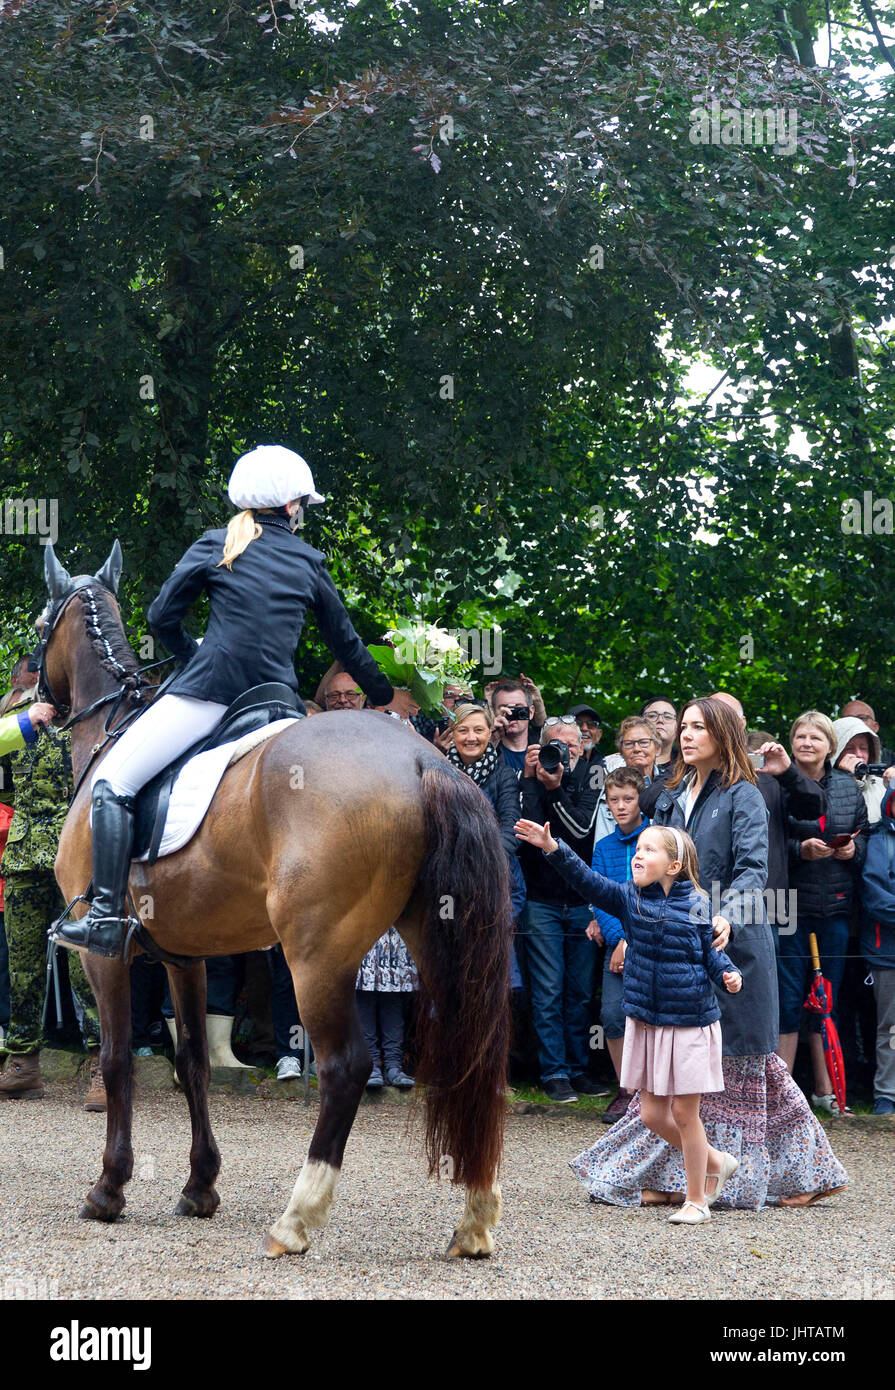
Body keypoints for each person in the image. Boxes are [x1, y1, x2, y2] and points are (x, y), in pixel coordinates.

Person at [52, 444, 417, 960]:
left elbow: (160, 619)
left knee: (113, 784)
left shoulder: (216, 542)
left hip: (209, 696)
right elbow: (346, 644)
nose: (303, 513)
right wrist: (381, 695)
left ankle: (108, 917)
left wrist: (192, 654)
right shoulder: (310, 561)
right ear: (290, 506)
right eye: (303, 505)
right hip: (277, 705)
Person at [565, 698, 847, 1209]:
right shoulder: (671, 797)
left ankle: (806, 1175)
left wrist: (727, 914)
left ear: (722, 733)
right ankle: (688, 1179)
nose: (686, 734)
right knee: (683, 1083)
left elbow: (752, 870)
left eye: (698, 727)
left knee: (746, 1067)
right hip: (675, 949)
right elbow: (652, 869)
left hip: (733, 946)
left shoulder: (745, 794)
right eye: (685, 726)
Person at [516, 817, 742, 1226]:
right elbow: (588, 882)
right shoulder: (629, 899)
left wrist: (729, 975)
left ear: (674, 866)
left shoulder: (697, 905)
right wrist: (553, 848)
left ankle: (697, 1200)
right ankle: (717, 1161)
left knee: (686, 1114)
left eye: (648, 850)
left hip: (690, 1022)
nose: (638, 855)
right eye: (637, 850)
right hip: (648, 1020)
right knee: (652, 1114)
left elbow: (711, 954)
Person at [0, 676, 105, 1108]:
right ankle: (24, 1063)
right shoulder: (16, 723)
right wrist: (26, 718)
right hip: (24, 856)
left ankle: (105, 1064)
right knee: (22, 964)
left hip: (77, 855)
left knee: (87, 964)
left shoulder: (93, 722)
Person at [782, 711, 869, 1113]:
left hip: (835, 905)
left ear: (830, 745)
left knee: (826, 1000)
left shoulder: (849, 788)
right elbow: (762, 841)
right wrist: (799, 850)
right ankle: (779, 1096)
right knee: (785, 1002)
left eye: (816, 736)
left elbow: (866, 838)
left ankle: (826, 1090)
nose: (807, 742)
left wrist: (853, 850)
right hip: (787, 905)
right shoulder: (775, 783)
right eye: (800, 735)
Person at [516, 715, 602, 1102]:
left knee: (580, 992)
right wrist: (534, 780)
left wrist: (555, 790)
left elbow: (582, 829)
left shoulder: (593, 777)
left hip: (583, 902)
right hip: (542, 902)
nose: (562, 753)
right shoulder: (528, 779)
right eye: (554, 745)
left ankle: (579, 1068)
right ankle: (553, 1071)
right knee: (548, 990)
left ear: (582, 748)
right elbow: (529, 833)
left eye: (570, 746)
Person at [585, 766, 649, 1125]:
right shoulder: (604, 848)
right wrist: (620, 940)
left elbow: (661, 893)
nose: (621, 806)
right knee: (612, 1015)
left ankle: (652, 1091)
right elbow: (600, 897)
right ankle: (627, 1091)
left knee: (651, 1015)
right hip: (618, 945)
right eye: (614, 800)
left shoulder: (656, 838)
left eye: (628, 799)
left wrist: (633, 940)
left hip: (653, 942)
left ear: (640, 799)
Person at [859, 776, 895, 1113]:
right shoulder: (881, 841)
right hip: (888, 953)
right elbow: (875, 898)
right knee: (892, 1027)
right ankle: (887, 1094)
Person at [595, 717, 663, 842]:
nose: (637, 749)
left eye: (643, 742)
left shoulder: (669, 787)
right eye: (629, 744)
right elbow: (603, 843)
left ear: (658, 749)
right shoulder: (611, 790)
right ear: (621, 752)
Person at [489, 678, 543, 780]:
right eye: (504, 708)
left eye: (518, 708)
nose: (511, 713)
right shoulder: (488, 750)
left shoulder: (543, 748)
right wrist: (490, 741)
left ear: (530, 713)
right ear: (494, 713)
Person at [841, 699, 894, 766]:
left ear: (875, 727)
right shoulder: (828, 760)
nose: (855, 722)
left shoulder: (892, 760)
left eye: (862, 718)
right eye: (848, 719)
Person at [640, 696, 678, 777]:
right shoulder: (617, 763)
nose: (660, 720)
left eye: (667, 717)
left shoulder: (690, 767)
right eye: (652, 716)